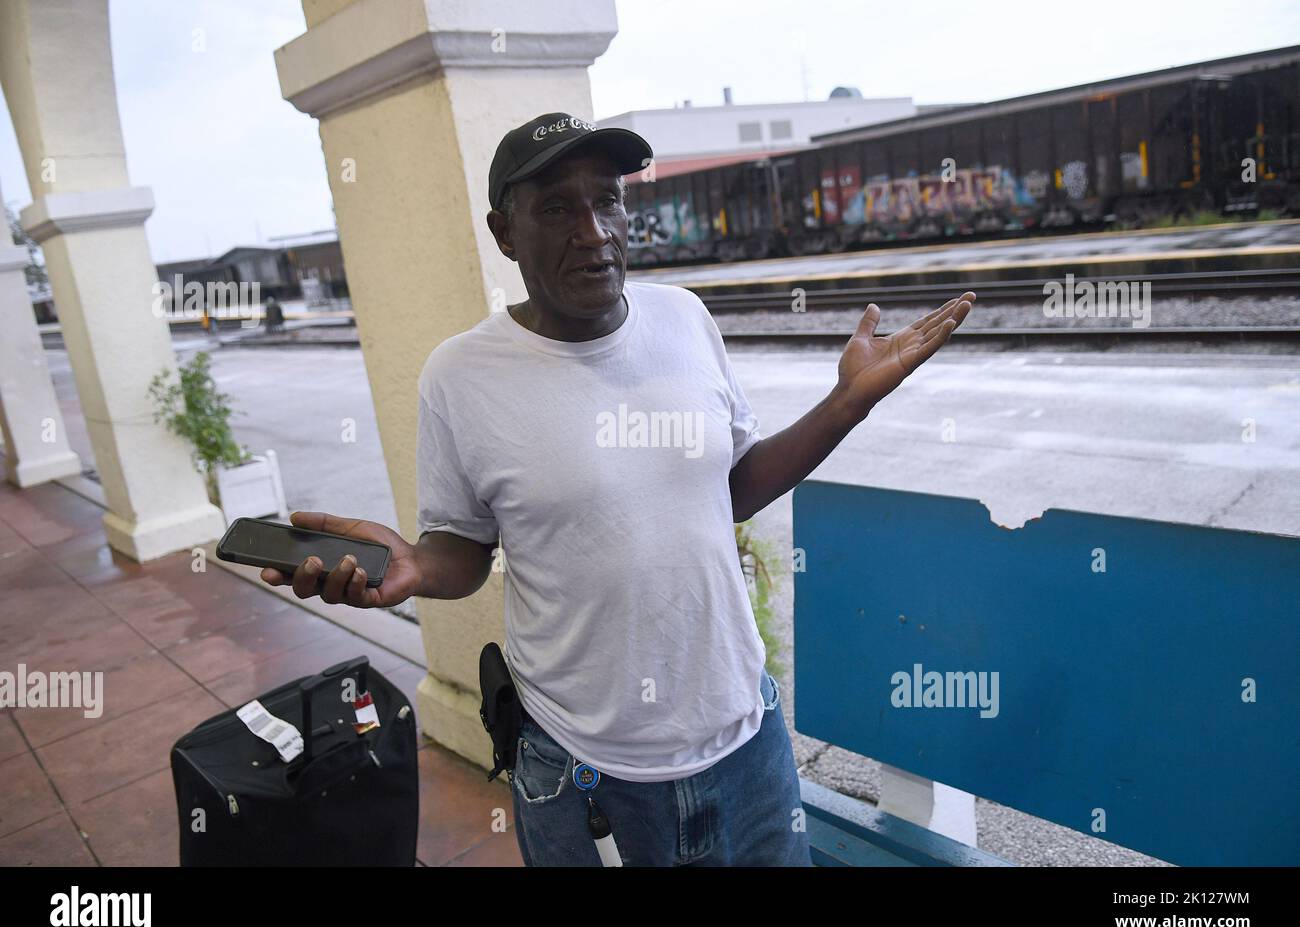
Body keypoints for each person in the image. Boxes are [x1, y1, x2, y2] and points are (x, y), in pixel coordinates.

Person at [260, 111, 976, 866]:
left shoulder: (684, 318)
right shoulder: (459, 376)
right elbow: (462, 550)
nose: (595, 231)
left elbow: (726, 490)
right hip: (585, 773)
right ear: (504, 232)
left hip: (746, 737)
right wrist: (412, 565)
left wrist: (844, 406)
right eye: (558, 208)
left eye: (608, 200)